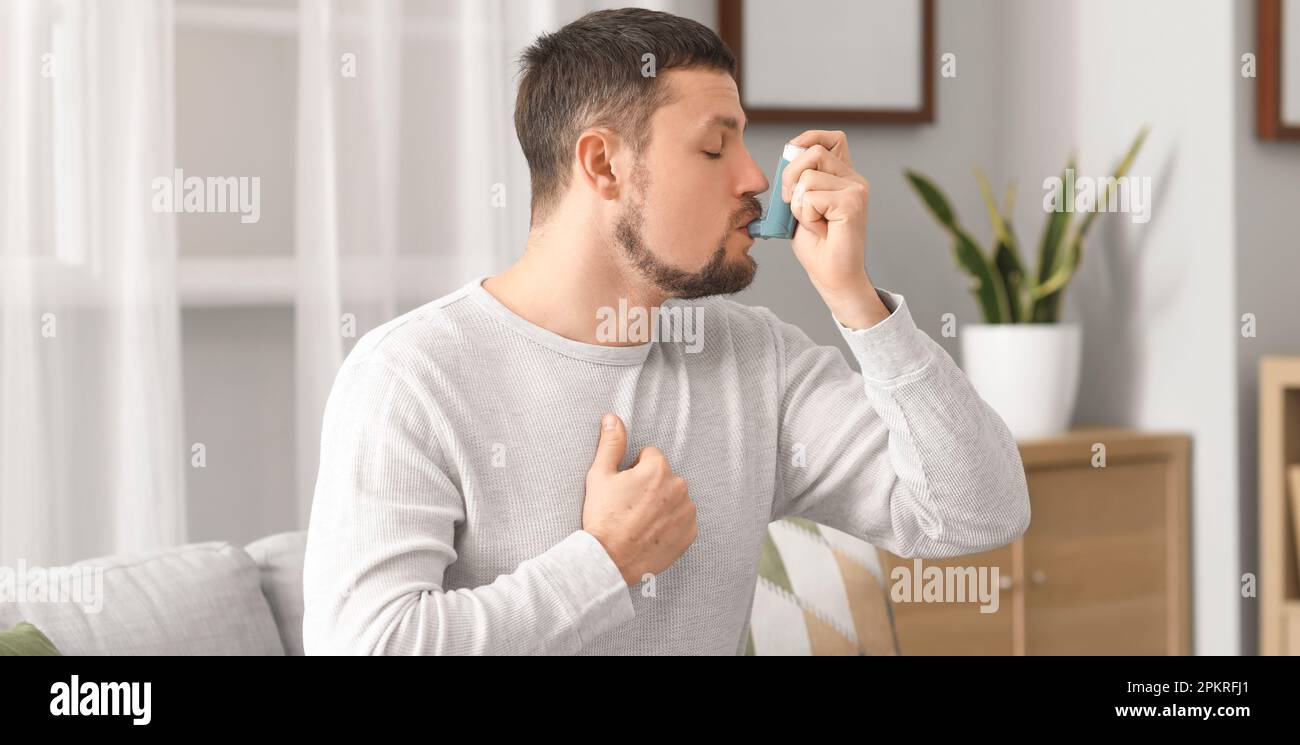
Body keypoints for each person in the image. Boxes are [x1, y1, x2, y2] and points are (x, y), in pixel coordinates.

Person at [302, 7, 1030, 655]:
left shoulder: (755, 359)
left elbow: (977, 513)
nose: (754, 178)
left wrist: (855, 299)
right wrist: (605, 562)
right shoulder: (411, 375)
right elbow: (367, 643)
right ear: (603, 164)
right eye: (716, 148)